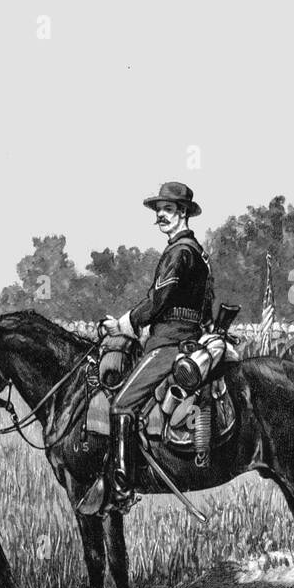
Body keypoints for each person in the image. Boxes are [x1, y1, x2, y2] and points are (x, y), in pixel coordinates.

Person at [88, 181, 213, 513]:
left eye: (167, 209)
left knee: (121, 405)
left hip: (170, 344)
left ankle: (121, 488)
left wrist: (122, 325)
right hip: (179, 339)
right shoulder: (197, 253)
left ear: (183, 213)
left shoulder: (180, 252)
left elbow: (159, 300)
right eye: (158, 210)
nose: (160, 215)